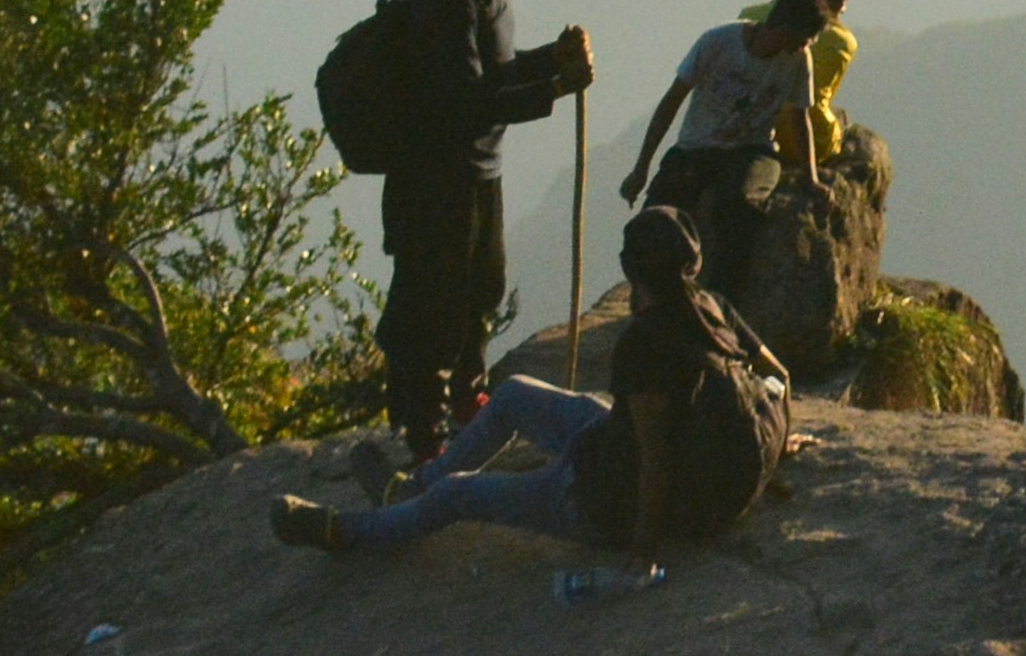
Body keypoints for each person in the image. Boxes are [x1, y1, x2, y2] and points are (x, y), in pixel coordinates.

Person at [276, 199, 792, 572]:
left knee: (459, 496)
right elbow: (778, 378)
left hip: (600, 497)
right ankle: (406, 491)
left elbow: (653, 460)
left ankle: (347, 532)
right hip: (626, 450)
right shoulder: (712, 308)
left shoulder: (648, 346)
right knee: (515, 393)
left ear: (636, 273)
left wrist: (641, 552)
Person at [371, 0, 596, 459]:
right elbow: (462, 105)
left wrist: (551, 60)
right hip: (433, 181)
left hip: (477, 172)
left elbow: (492, 73)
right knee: (435, 308)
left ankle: (469, 408)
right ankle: (427, 439)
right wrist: (555, 86)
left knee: (480, 293)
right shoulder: (443, 1)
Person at [618, 0, 860, 309]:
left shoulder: (798, 60)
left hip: (754, 149)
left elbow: (800, 119)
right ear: (787, 29)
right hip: (696, 148)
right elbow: (671, 103)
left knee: (741, 206)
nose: (807, 47)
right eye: (806, 38)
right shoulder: (718, 43)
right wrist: (642, 167)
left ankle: (719, 305)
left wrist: (811, 177)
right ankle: (651, 298)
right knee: (657, 215)